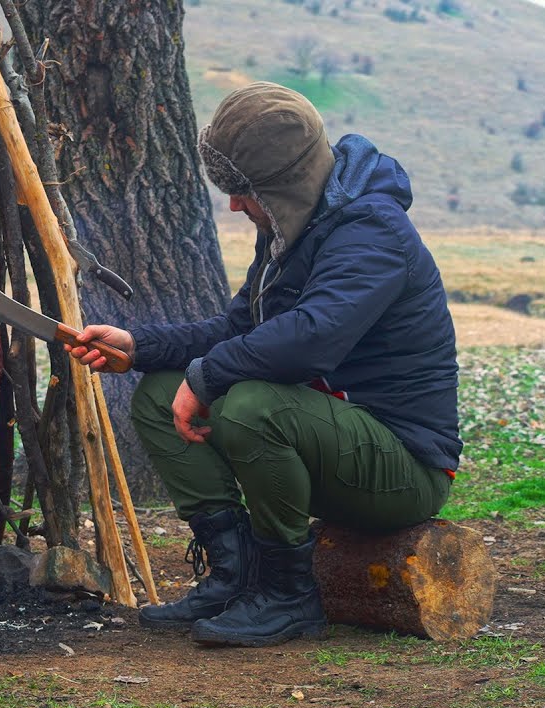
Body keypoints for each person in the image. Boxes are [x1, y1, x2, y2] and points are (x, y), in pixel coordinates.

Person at [67, 82, 461, 647]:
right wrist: (139, 346)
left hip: (404, 469)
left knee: (251, 406)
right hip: (331, 446)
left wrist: (208, 379)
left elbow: (310, 339)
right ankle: (236, 574)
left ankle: (288, 594)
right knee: (159, 390)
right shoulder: (292, 230)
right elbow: (240, 331)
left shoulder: (374, 232)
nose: (233, 205)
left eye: (245, 192)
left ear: (285, 187)